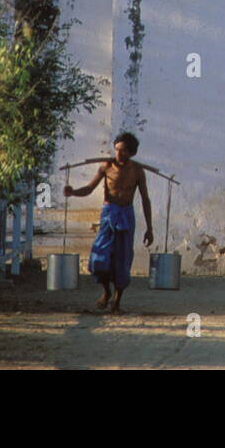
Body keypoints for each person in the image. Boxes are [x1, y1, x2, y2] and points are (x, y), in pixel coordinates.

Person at [64, 131, 154, 313]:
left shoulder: (137, 171)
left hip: (126, 216)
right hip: (108, 215)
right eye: (117, 150)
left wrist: (149, 228)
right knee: (100, 257)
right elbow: (89, 189)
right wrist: (73, 192)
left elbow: (145, 199)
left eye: (124, 151)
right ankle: (106, 291)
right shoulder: (106, 167)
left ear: (132, 153)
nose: (119, 154)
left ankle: (117, 300)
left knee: (122, 259)